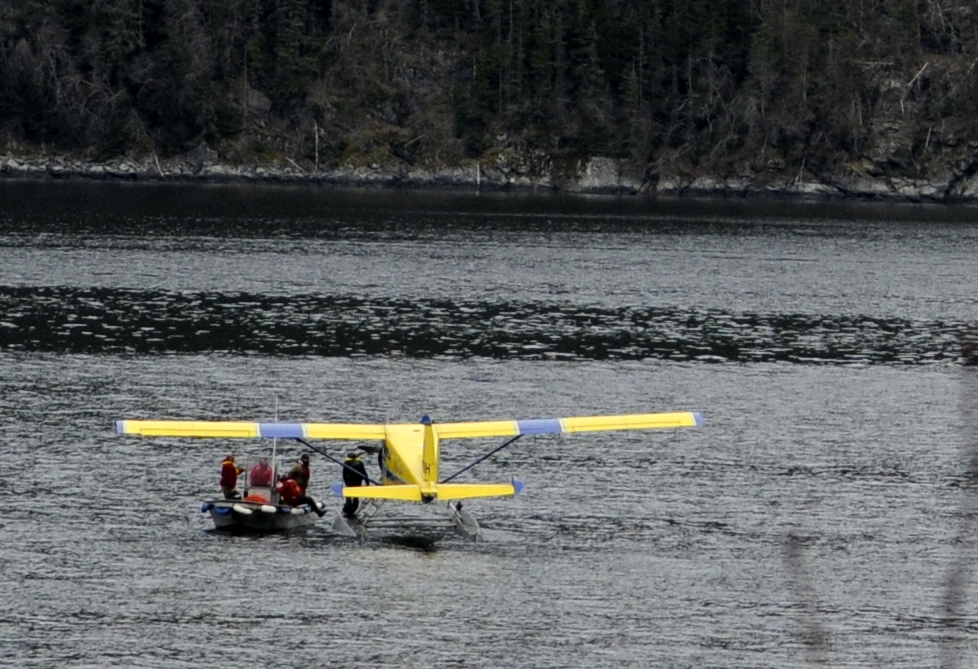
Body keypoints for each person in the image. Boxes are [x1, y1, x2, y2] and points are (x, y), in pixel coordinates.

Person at [342, 451, 369, 518]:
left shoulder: (347, 463)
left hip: (350, 482)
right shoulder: (360, 463)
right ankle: (353, 511)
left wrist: (346, 484)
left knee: (348, 497)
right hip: (358, 482)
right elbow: (365, 474)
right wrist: (367, 484)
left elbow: (344, 475)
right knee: (356, 498)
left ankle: (349, 513)